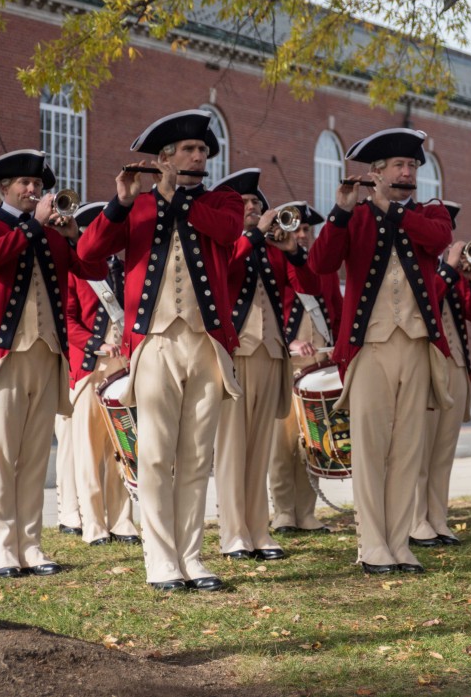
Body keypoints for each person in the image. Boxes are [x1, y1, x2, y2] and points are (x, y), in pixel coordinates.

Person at [79, 109, 243, 593]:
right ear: (164, 159)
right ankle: (160, 558)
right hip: (153, 342)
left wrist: (178, 199)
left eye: (203, 150)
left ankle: (191, 557)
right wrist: (120, 203)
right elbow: (88, 253)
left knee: (196, 455)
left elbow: (227, 232)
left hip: (207, 342)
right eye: (189, 150)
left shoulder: (222, 201)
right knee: (154, 454)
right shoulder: (138, 206)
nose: (199, 156)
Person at [308, 127, 453, 575]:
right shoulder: (355, 216)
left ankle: (399, 542)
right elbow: (320, 264)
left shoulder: (430, 213)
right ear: (376, 172)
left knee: (409, 447)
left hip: (416, 343)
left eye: (411, 166)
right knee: (371, 449)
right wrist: (340, 211)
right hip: (369, 345)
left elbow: (437, 240)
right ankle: (372, 544)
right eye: (398, 166)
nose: (407, 172)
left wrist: (390, 208)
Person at [0, 149, 105, 578]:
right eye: (25, 183)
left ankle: (31, 546)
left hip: (48, 355)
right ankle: (1, 549)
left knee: (36, 456)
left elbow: (94, 270)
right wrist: (33, 225)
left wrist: (76, 235)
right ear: (4, 188)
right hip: (4, 357)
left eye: (38, 184)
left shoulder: (52, 234)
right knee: (3, 456)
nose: (34, 189)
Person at [213, 169, 316, 561]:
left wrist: (293, 251)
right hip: (237, 352)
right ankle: (233, 534)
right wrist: (254, 234)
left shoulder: (273, 247)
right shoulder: (224, 242)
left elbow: (310, 286)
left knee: (259, 448)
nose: (253, 207)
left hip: (272, 352)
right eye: (245, 203)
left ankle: (258, 529)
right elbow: (223, 269)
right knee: (232, 448)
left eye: (256, 202)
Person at [410, 203, 471, 548]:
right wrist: (448, 269)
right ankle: (415, 520)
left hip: (456, 364)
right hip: (427, 363)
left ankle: (437, 517)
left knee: (443, 448)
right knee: (421, 447)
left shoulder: (452, 272)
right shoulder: (420, 264)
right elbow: (424, 301)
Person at [65, 201, 140, 547]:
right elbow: (66, 320)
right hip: (89, 370)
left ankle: (123, 520)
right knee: (89, 451)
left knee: (123, 447)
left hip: (124, 368)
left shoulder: (129, 268)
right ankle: (94, 524)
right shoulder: (75, 269)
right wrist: (95, 344)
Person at [268, 201, 339, 535]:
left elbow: (337, 309)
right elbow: (266, 311)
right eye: (295, 228)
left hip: (319, 366)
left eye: (306, 229)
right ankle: (283, 512)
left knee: (312, 442)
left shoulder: (323, 267)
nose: (301, 234)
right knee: (282, 446)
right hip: (288, 364)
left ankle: (306, 513)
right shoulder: (275, 261)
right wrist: (289, 341)